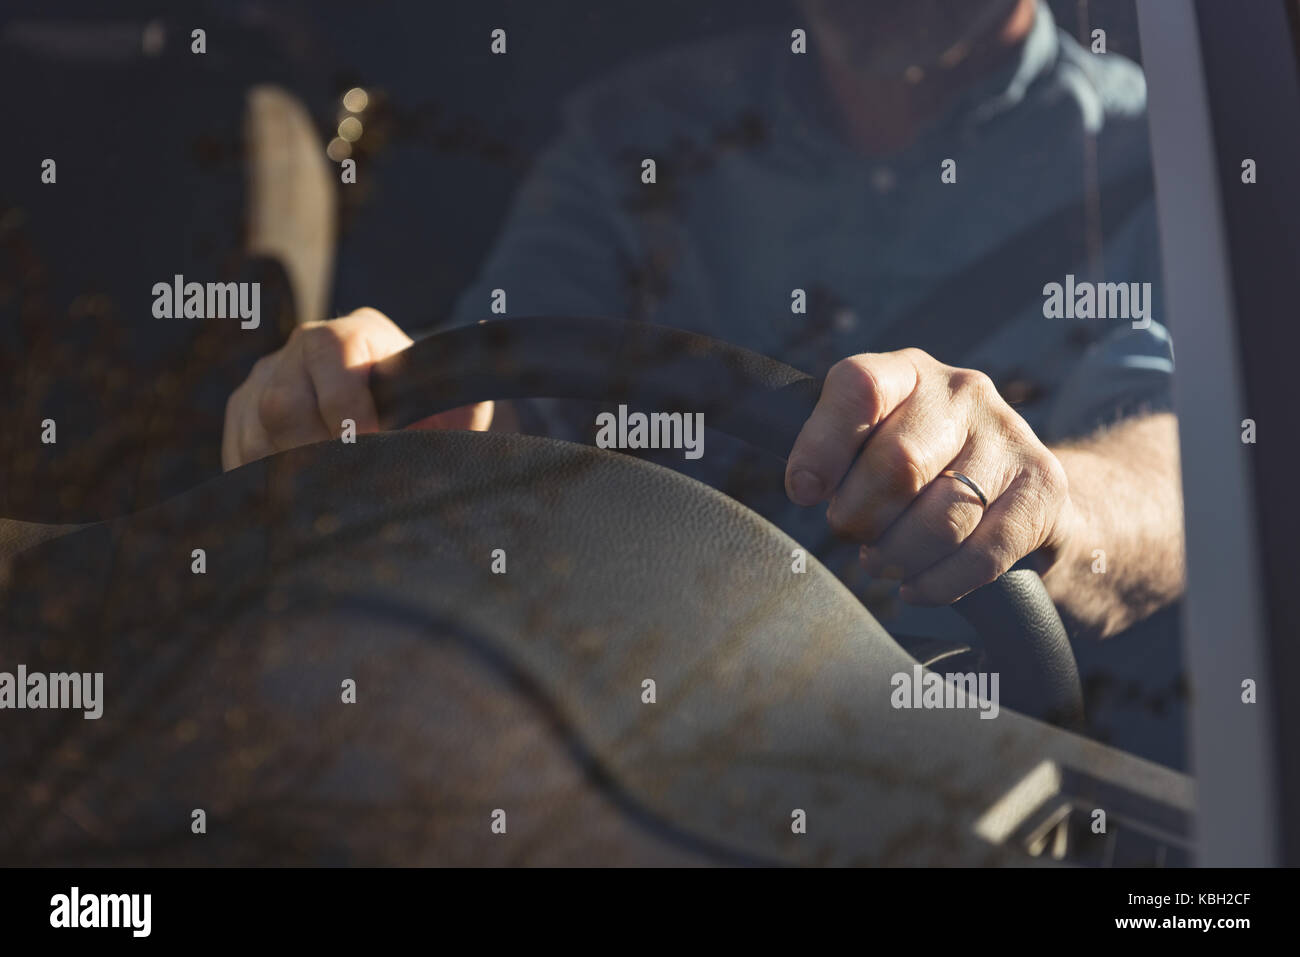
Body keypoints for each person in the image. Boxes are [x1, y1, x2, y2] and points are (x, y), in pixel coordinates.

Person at [222, 0, 1182, 647]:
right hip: (631, 751)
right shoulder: (637, 133)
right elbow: (504, 384)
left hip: (999, 780)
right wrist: (383, 410)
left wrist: (1040, 498)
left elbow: (1186, 474)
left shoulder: (1161, 162)